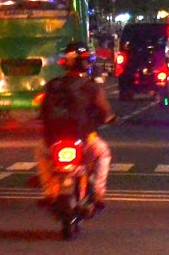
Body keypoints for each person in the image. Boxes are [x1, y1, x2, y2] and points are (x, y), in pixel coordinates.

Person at [38, 44, 113, 211]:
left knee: (41, 154)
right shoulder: (91, 86)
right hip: (84, 139)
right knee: (104, 154)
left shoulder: (53, 85)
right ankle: (99, 192)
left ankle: (49, 192)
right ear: (85, 63)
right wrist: (108, 118)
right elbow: (104, 110)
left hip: (53, 140)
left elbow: (42, 110)